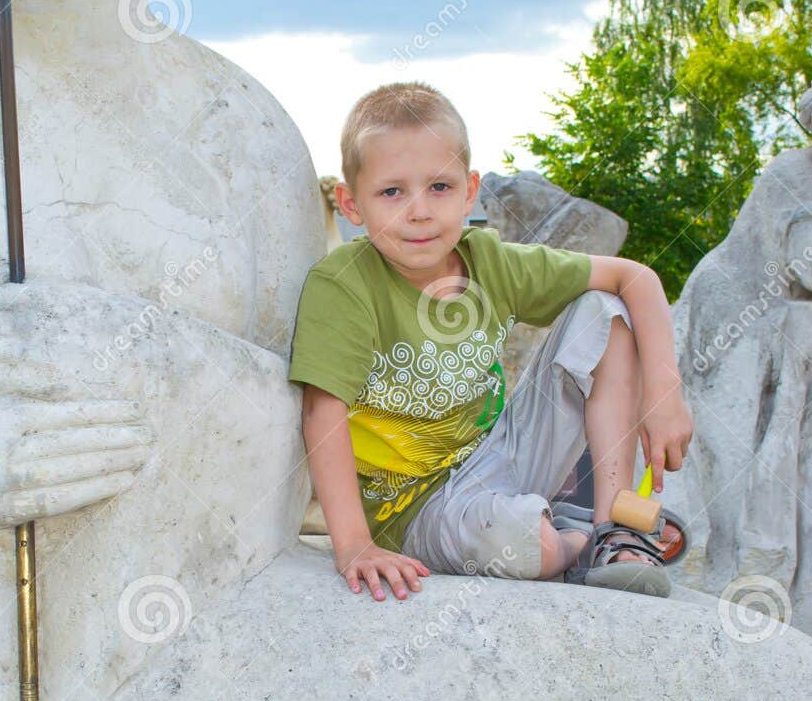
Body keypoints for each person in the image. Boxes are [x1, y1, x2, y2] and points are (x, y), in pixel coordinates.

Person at [288, 82, 694, 601]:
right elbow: (321, 413)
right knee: (523, 545)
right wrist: (353, 545)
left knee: (604, 310)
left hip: (502, 454)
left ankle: (615, 526)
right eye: (392, 192)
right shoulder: (344, 285)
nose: (419, 211)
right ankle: (574, 541)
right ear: (351, 204)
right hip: (418, 510)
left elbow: (633, 277)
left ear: (469, 191)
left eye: (439, 187)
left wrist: (664, 394)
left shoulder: (489, 261)